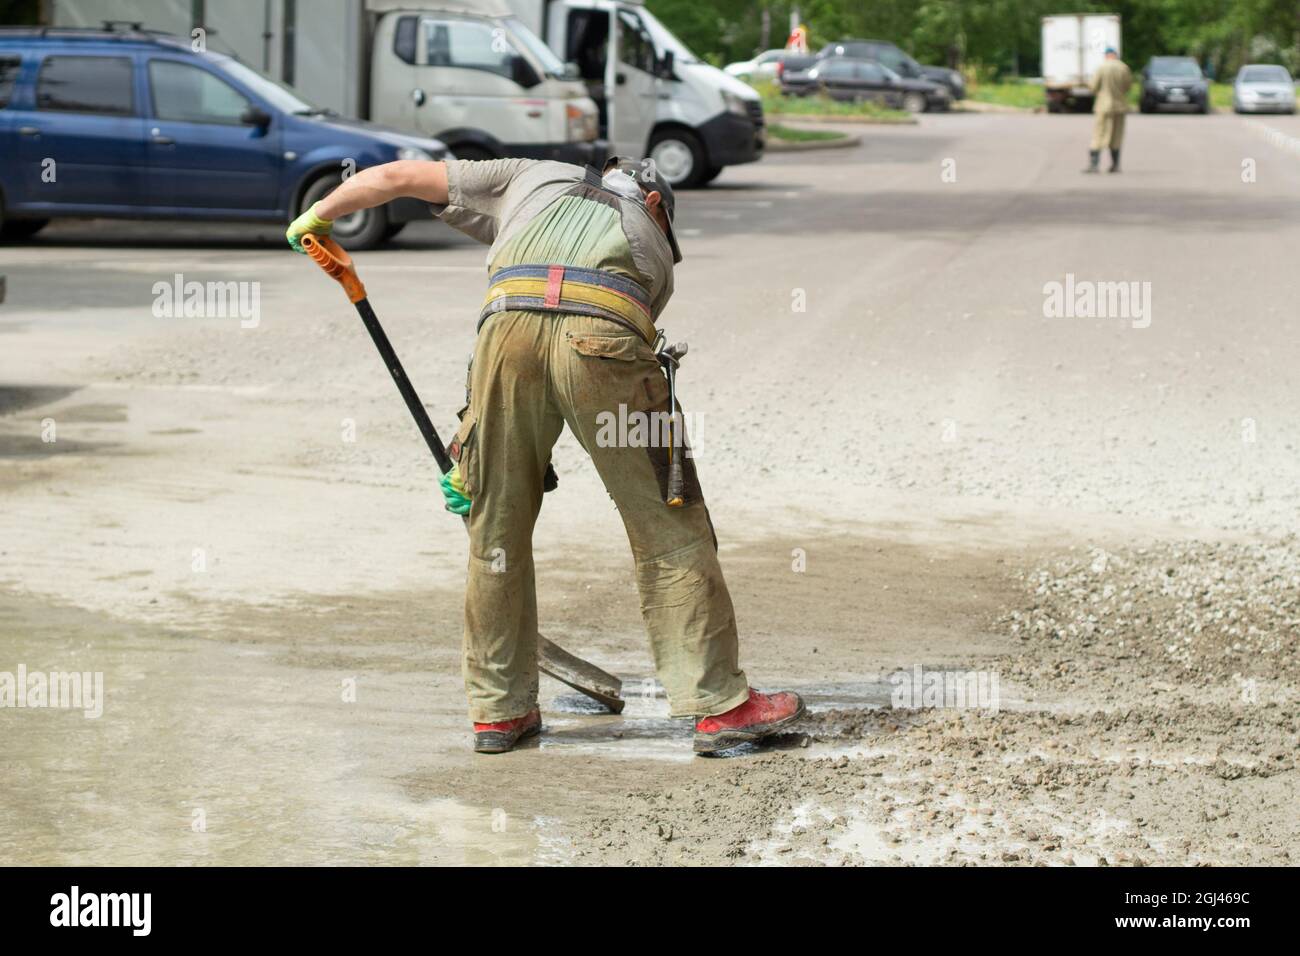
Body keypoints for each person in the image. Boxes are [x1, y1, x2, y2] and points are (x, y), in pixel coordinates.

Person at [285, 157, 804, 754]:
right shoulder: (650, 241)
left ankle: (499, 712)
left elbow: (396, 177)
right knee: (667, 523)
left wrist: (317, 217)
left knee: (495, 525)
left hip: (505, 339)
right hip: (603, 340)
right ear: (657, 205)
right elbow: (588, 333)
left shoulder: (527, 176)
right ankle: (718, 706)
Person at [1086, 47, 1133, 174]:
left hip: (1103, 105)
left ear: (1106, 55)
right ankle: (1115, 165)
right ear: (1115, 55)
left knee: (1099, 133)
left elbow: (1093, 86)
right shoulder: (1124, 67)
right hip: (1120, 105)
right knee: (1117, 135)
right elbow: (1128, 86)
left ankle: (1094, 165)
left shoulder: (1102, 67)